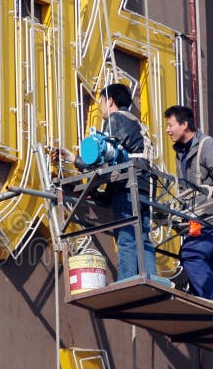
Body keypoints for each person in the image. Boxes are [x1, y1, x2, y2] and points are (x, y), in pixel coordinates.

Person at [52, 83, 157, 281]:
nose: (100, 107)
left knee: (126, 236)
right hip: (144, 185)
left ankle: (127, 281)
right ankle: (151, 279)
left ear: (109, 101)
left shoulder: (116, 118)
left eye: (101, 101)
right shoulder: (136, 123)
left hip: (126, 185)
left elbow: (104, 156)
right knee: (143, 237)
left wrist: (74, 159)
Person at [164, 105, 213, 302]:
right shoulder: (181, 153)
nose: (167, 130)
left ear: (184, 124)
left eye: (171, 125)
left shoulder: (208, 145)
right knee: (202, 259)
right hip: (197, 218)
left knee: (192, 254)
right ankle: (209, 303)